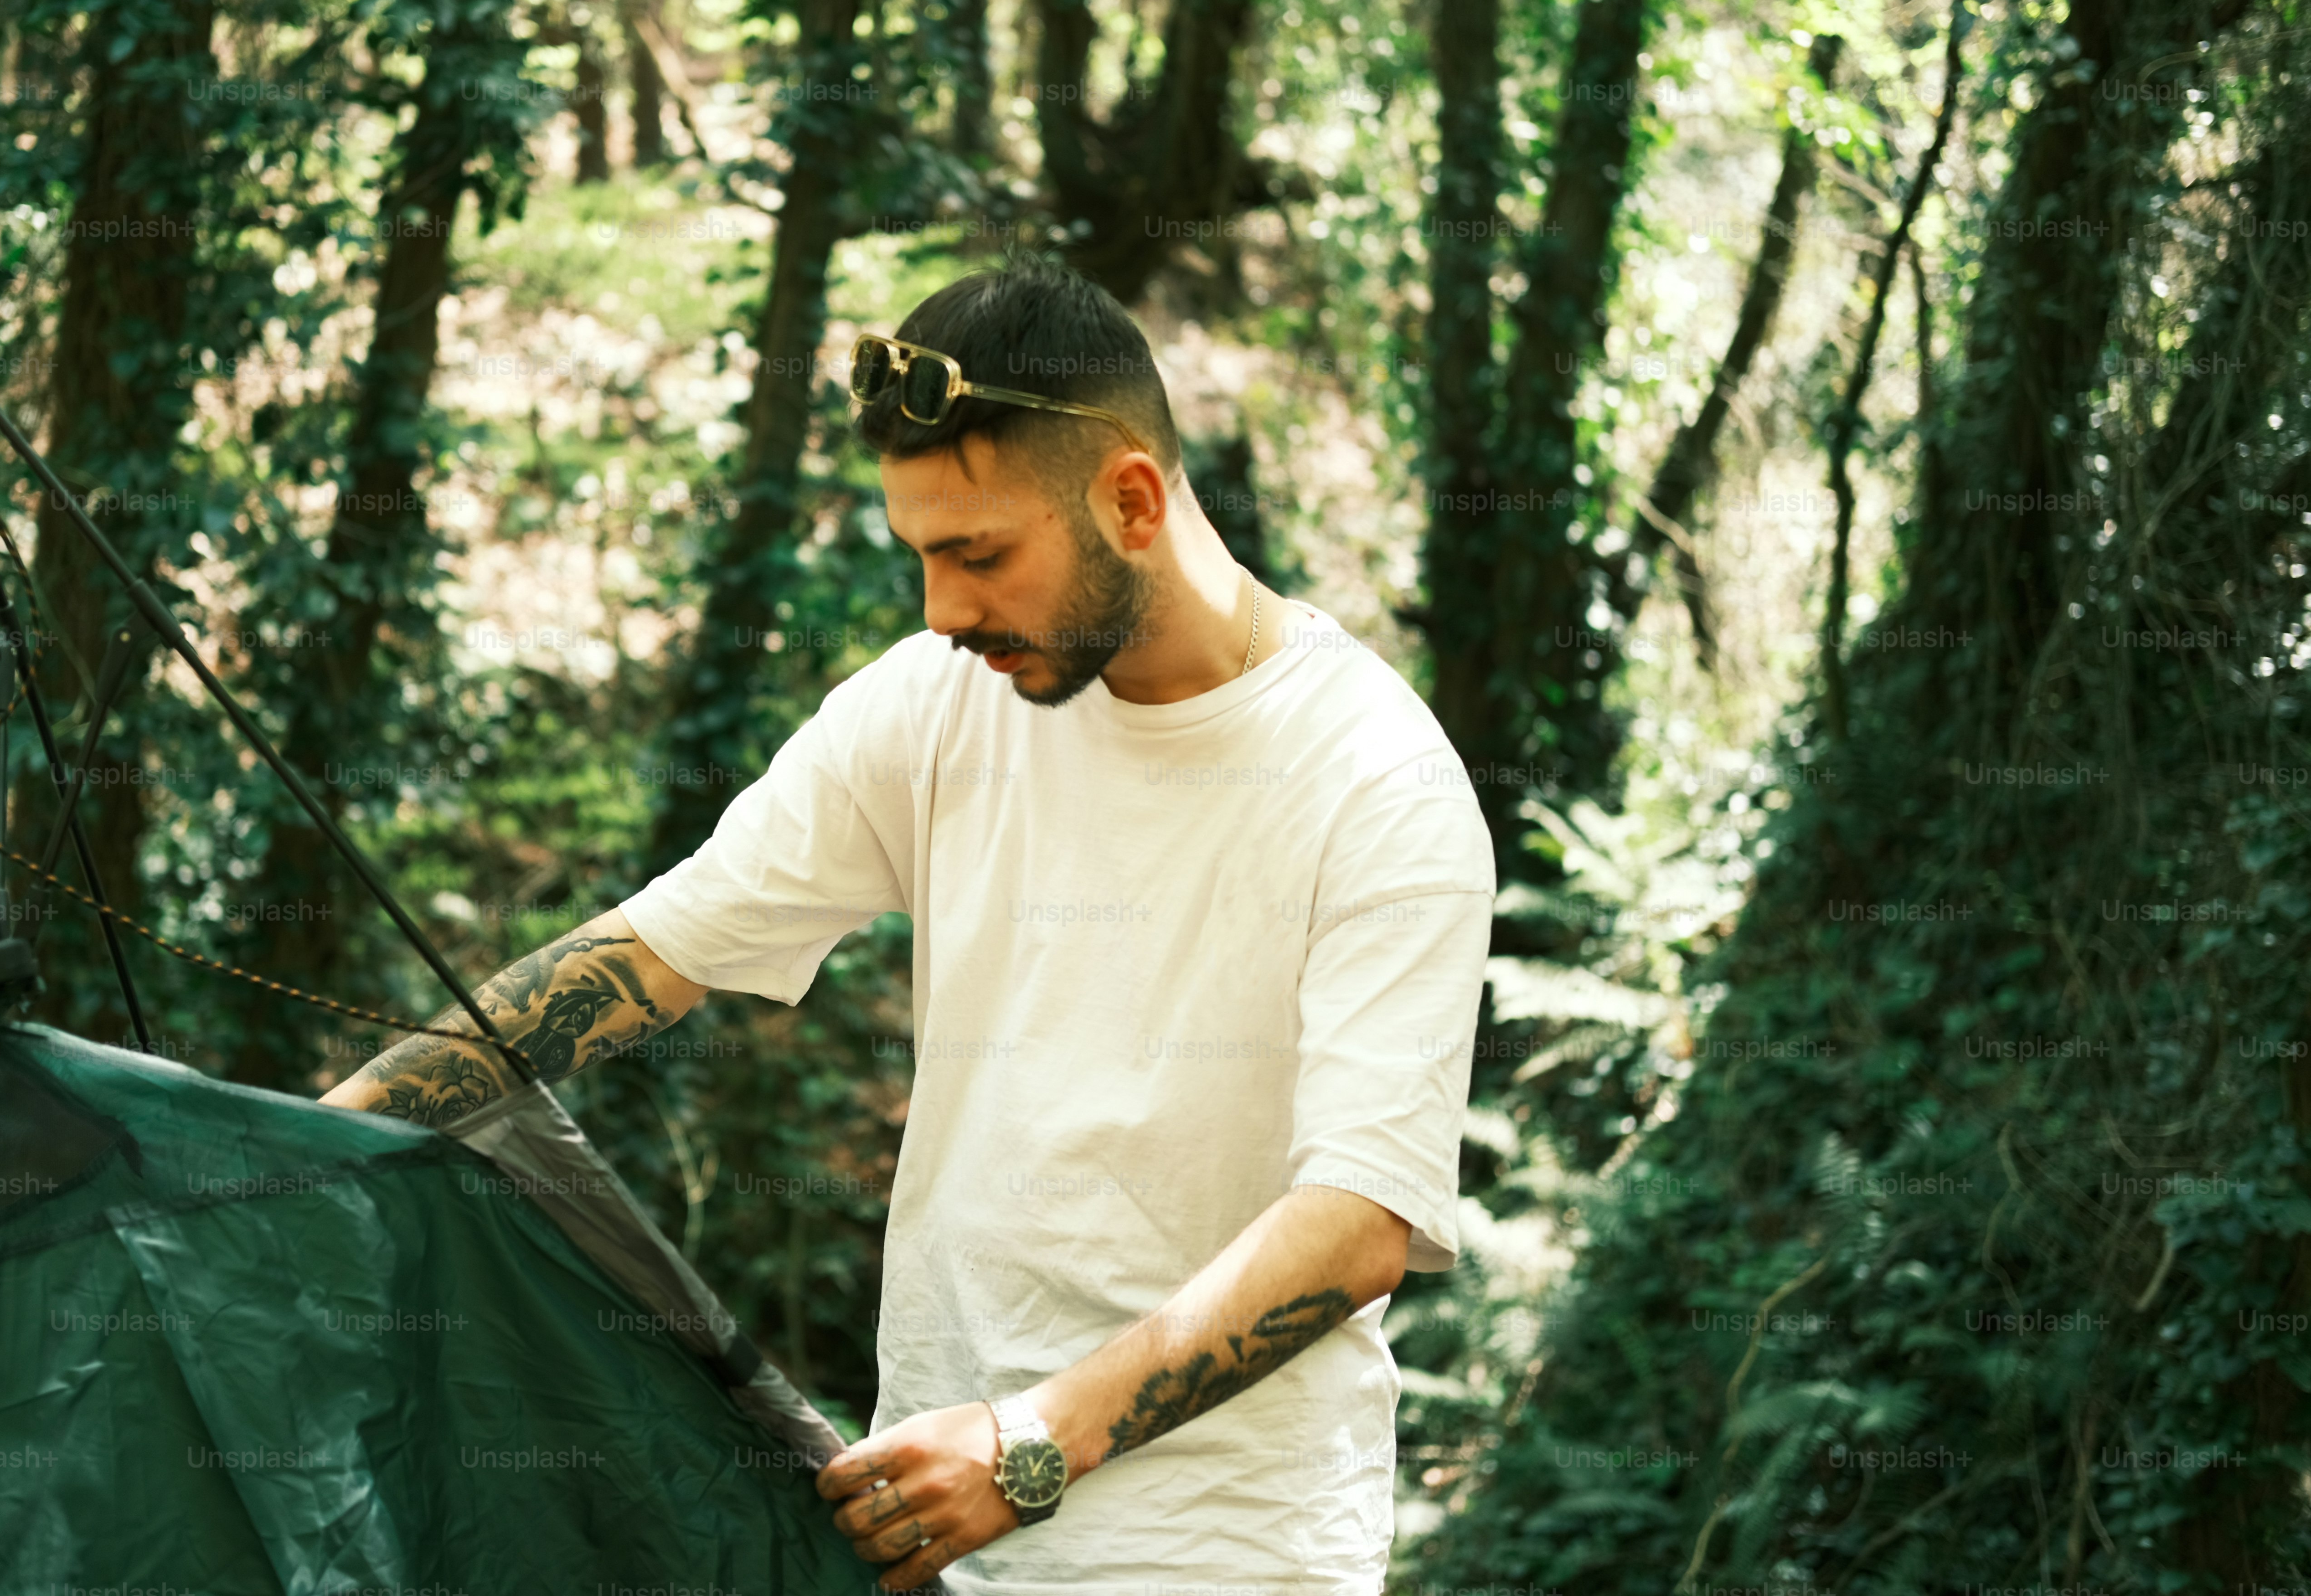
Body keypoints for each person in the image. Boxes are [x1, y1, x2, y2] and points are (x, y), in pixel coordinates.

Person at [323, 251, 1496, 1595]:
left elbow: (1356, 1223)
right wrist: (304, 1143)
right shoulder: (939, 704)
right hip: (932, 1540)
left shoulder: (1377, 781)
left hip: (1223, 1556)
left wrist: (1029, 1448)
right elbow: (651, 954)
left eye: (977, 555)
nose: (943, 611)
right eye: (923, 558)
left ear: (1130, 498)